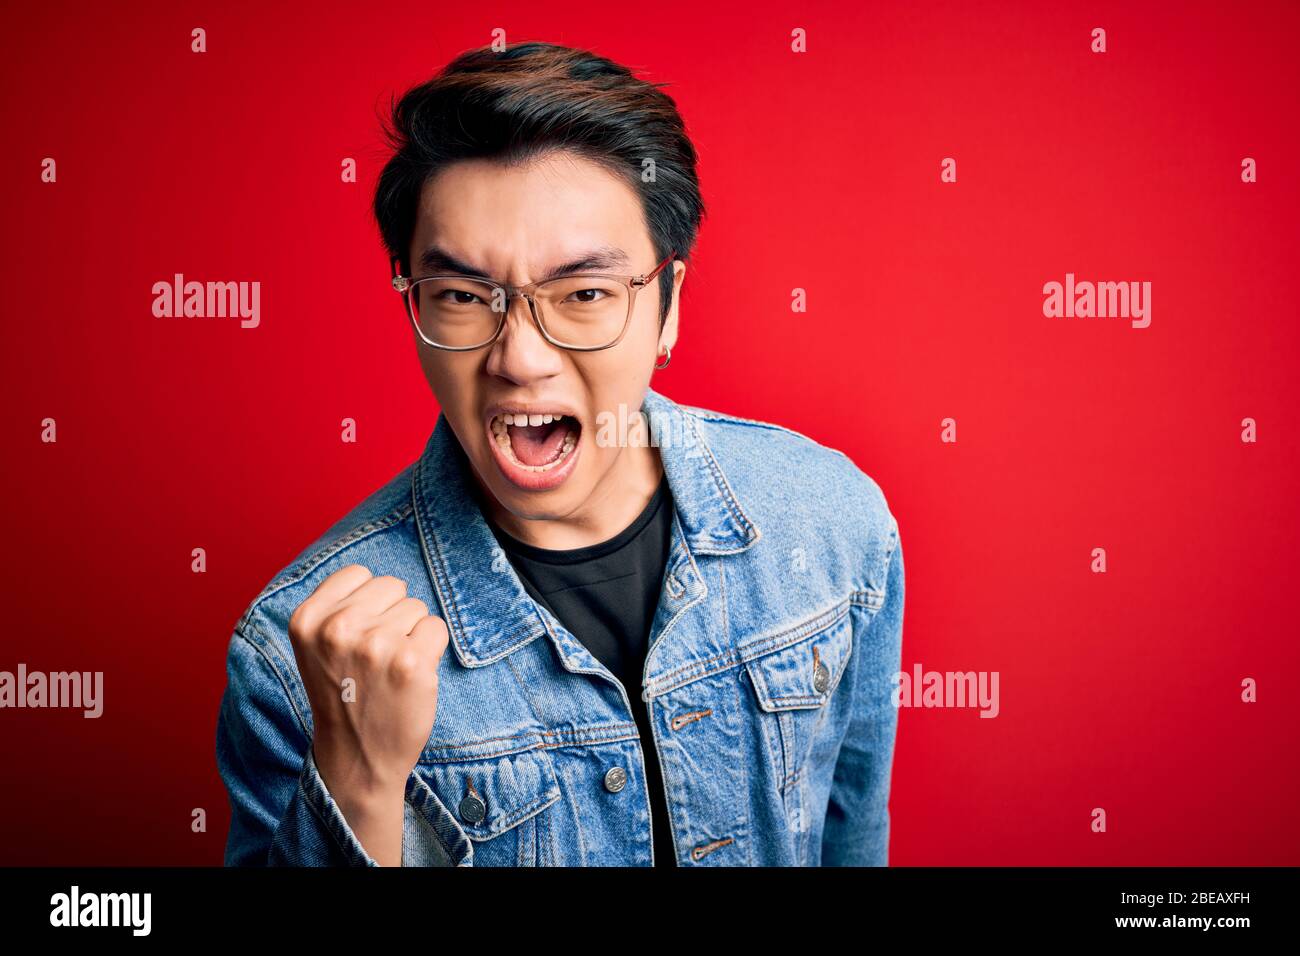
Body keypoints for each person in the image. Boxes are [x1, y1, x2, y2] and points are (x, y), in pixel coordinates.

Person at [215, 40, 904, 867]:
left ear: (669, 306)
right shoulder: (294, 657)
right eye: (464, 297)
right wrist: (359, 782)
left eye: (583, 295)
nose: (520, 357)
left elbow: (851, 838)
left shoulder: (831, 523)